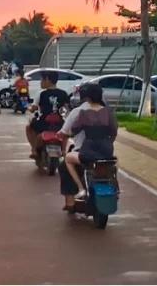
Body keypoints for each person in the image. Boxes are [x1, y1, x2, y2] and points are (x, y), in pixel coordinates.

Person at [58, 82, 117, 211]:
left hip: (87, 150)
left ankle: (76, 194)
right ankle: (115, 187)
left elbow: (73, 130)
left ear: (86, 97)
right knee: (111, 167)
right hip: (107, 150)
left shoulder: (81, 113)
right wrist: (109, 144)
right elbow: (114, 132)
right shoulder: (108, 112)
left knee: (65, 162)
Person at [27, 72, 70, 156]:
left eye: (42, 79)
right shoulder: (64, 93)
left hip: (44, 123)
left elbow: (33, 109)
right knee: (67, 131)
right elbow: (67, 109)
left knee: (29, 127)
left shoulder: (41, 93)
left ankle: (34, 149)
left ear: (47, 79)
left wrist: (29, 108)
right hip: (59, 124)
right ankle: (64, 151)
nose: (41, 82)